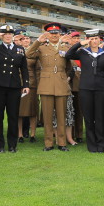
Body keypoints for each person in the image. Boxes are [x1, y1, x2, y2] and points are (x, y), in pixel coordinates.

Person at [0, 24, 31, 153]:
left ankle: (12, 144)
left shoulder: (19, 49)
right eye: (4, 34)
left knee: (13, 116)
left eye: (10, 34)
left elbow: (24, 68)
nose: (7, 36)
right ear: (1, 36)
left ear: (13, 36)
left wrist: (25, 84)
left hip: (14, 86)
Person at [25, 23, 72, 152]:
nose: (54, 35)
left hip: (61, 84)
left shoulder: (65, 48)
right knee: (47, 116)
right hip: (46, 85)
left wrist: (64, 77)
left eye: (56, 33)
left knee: (61, 116)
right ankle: (48, 143)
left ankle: (62, 143)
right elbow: (28, 54)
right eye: (51, 33)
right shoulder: (41, 48)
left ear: (60, 34)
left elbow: (69, 67)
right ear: (47, 35)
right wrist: (38, 41)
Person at [64, 29, 104, 153]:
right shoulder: (82, 53)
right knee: (89, 118)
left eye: (96, 39)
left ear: (99, 40)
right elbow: (68, 54)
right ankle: (91, 145)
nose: (94, 41)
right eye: (91, 39)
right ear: (88, 40)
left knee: (100, 118)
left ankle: (101, 145)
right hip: (85, 89)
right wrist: (80, 44)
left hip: (101, 89)